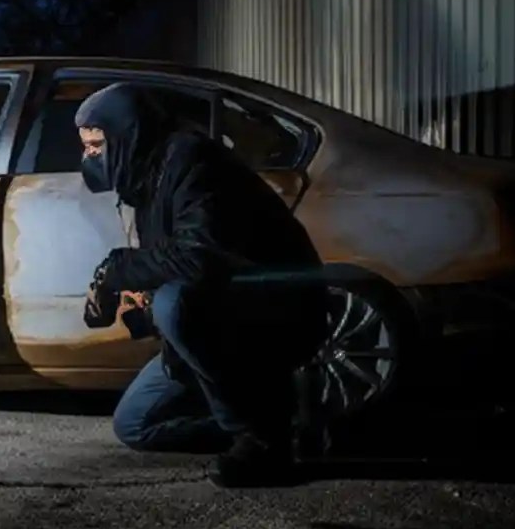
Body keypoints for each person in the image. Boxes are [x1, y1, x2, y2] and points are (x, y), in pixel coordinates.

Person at [75, 82, 329, 488]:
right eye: (86, 146)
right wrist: (138, 309)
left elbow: (200, 257)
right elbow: (175, 267)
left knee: (174, 305)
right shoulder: (146, 181)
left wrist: (118, 270)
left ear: (128, 134)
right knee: (135, 425)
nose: (89, 156)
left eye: (95, 144)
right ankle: (290, 418)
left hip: (277, 312)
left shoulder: (191, 160)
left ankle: (264, 442)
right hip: (223, 317)